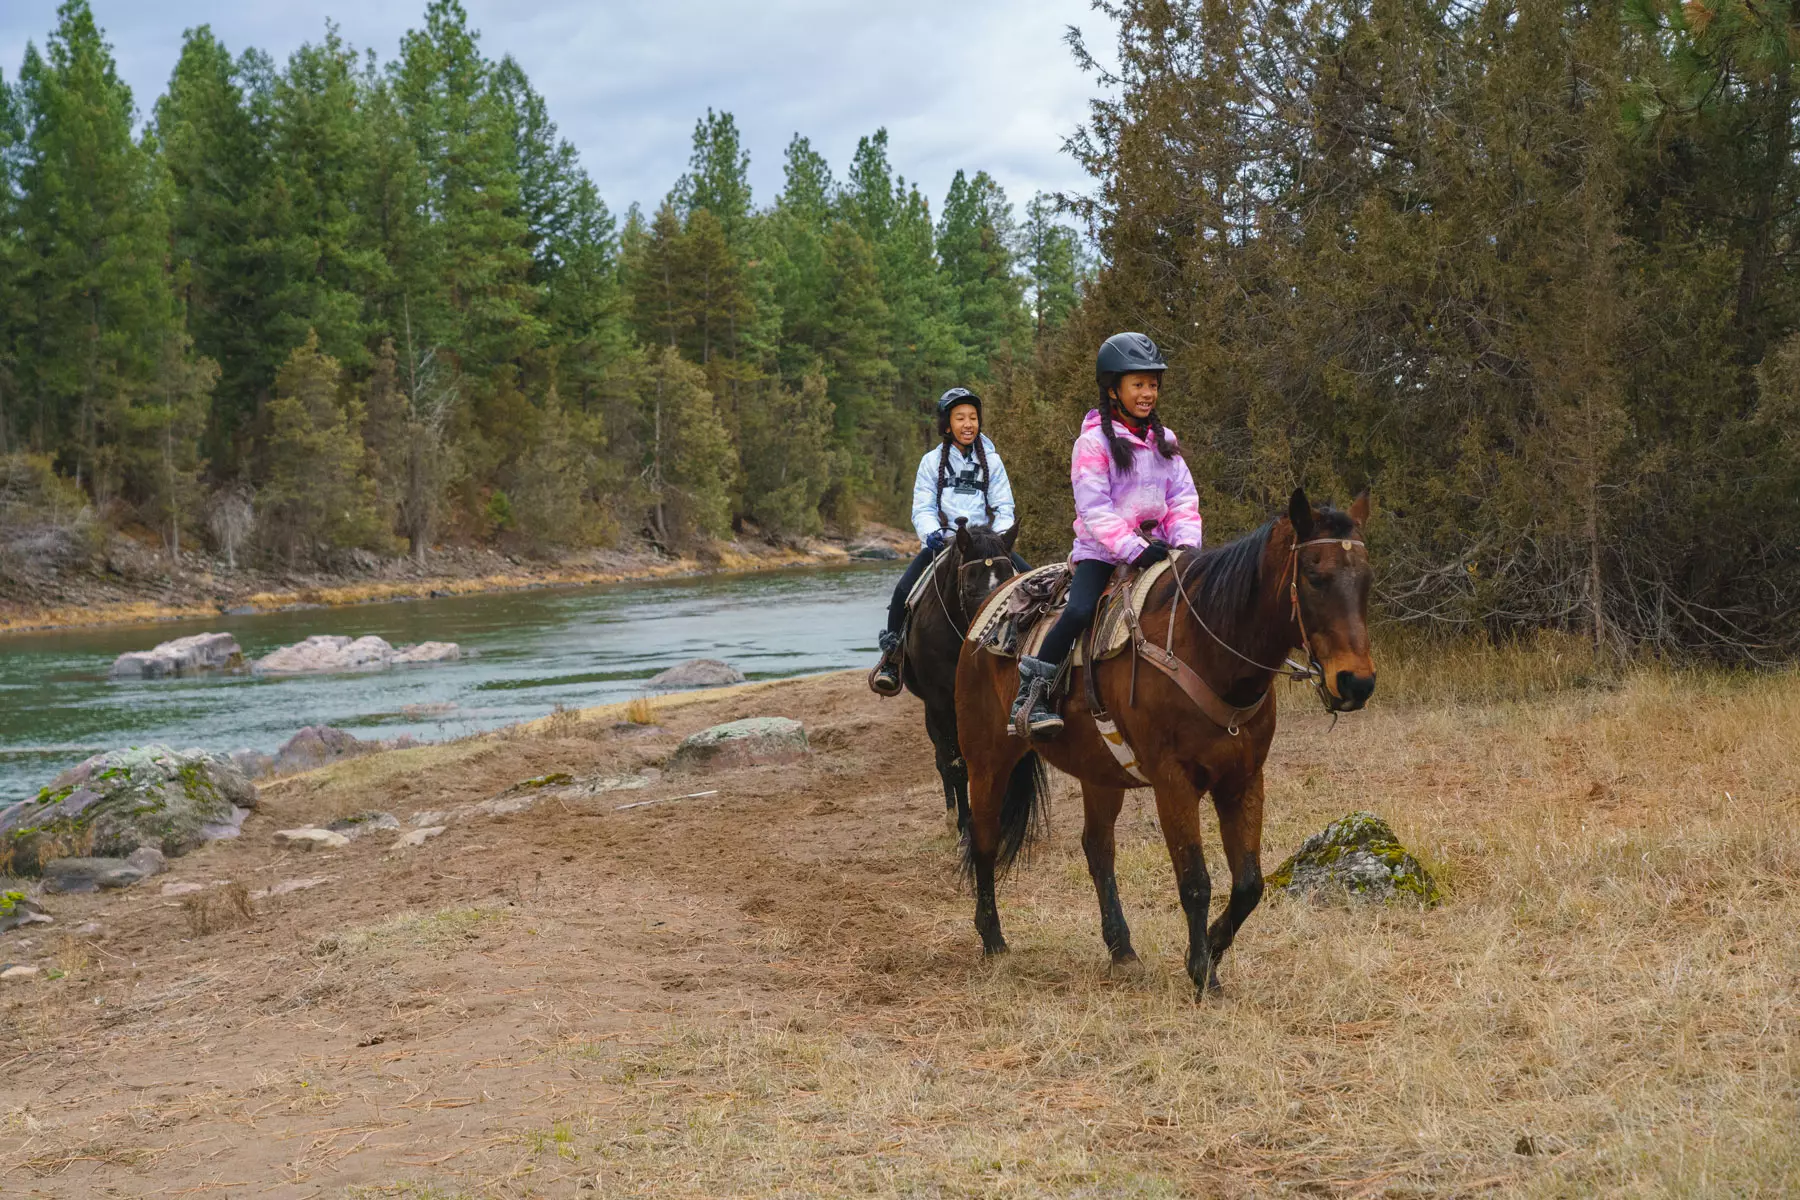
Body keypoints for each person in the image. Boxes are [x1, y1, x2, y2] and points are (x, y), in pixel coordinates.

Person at [1010, 332, 1204, 737]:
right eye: (1138, 384)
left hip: (1161, 551)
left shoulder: (1164, 442)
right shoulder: (1092, 443)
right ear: (1113, 389)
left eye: (1152, 384)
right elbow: (1094, 509)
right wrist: (1133, 549)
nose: (1147, 393)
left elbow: (1183, 498)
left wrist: (1186, 547)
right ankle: (1034, 694)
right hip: (1103, 551)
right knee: (1079, 610)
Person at [870, 387, 1024, 696]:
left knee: (1032, 582)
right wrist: (932, 534)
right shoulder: (930, 462)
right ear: (947, 424)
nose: (968, 424)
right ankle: (893, 656)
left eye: (973, 418)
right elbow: (924, 507)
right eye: (960, 418)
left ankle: (1034, 653)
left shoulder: (992, 462)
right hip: (944, 542)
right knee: (904, 590)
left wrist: (997, 538)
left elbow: (1004, 507)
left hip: (985, 544)